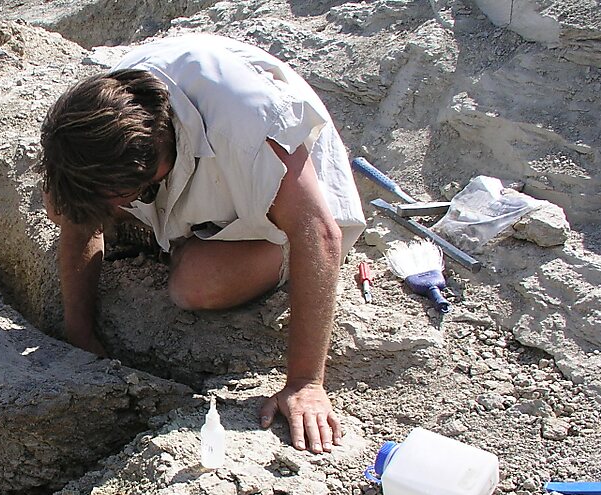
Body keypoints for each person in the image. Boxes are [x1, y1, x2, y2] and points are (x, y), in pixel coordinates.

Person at [39, 34, 367, 455]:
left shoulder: (252, 128)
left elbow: (319, 234)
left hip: (284, 212)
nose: (120, 205)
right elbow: (78, 220)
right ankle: (177, 233)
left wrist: (305, 382)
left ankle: (247, 254)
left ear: (153, 164)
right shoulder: (103, 117)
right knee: (64, 203)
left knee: (195, 283)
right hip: (187, 174)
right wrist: (80, 335)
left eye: (131, 193)